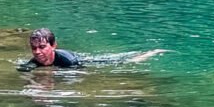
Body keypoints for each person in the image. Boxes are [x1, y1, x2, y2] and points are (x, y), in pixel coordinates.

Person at [19, 29, 165, 70]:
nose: (37, 52)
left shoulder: (69, 62)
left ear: (54, 46)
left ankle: (151, 53)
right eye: (34, 48)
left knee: (123, 61)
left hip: (87, 61)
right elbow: (25, 70)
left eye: (42, 47)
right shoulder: (35, 60)